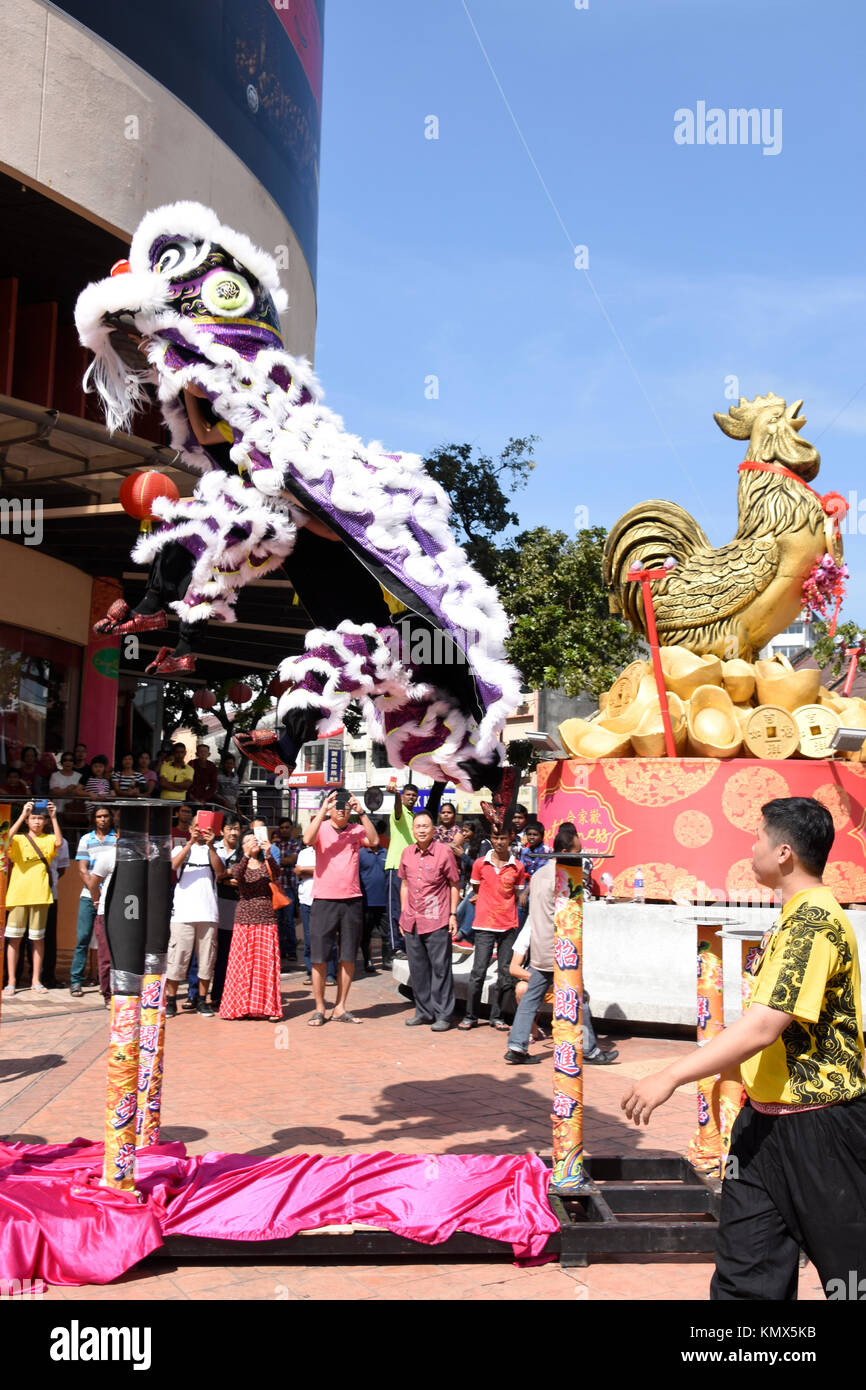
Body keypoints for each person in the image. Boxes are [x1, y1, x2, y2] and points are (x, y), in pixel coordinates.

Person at [622, 796, 866, 1300]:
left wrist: (670, 1075)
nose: (749, 847)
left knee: (852, 1276)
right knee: (744, 1274)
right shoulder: (794, 915)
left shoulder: (815, 921)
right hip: (763, 1124)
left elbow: (762, 1028)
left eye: (757, 837)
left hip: (822, 1126)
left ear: (783, 853)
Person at [503, 827, 618, 1065]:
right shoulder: (565, 876)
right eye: (577, 852)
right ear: (565, 851)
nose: (580, 857)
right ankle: (589, 1050)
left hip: (540, 950)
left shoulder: (539, 874)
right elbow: (572, 913)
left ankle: (516, 1046)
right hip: (563, 950)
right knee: (579, 999)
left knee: (530, 1000)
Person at [303, 790, 379, 1026]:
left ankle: (340, 1007)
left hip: (351, 899)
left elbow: (374, 841)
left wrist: (361, 812)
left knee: (347, 956)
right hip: (324, 899)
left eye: (345, 806)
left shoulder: (356, 830)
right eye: (338, 806)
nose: (341, 810)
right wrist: (322, 809)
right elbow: (307, 840)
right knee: (319, 957)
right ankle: (319, 1008)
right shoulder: (322, 826)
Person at [459, 826, 527, 1031]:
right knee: (478, 971)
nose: (499, 842)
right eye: (496, 837)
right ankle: (470, 1016)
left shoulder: (518, 867)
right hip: (484, 925)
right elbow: (477, 890)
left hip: (508, 925)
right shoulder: (480, 864)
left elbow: (516, 895)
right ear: (491, 838)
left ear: (510, 839)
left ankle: (497, 1016)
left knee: (505, 973)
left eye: (503, 838)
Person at [398, 810, 460, 1029]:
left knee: (441, 968)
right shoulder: (406, 853)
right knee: (418, 969)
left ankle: (444, 1014)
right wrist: (403, 914)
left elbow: (454, 884)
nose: (421, 830)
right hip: (412, 920)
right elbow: (404, 885)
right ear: (413, 830)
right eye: (418, 827)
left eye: (425, 826)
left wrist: (453, 915)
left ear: (433, 829)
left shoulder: (444, 853)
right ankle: (424, 1012)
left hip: (437, 919)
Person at [219, 829, 283, 1021]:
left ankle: (268, 1007)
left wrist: (269, 853)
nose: (253, 842)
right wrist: (246, 854)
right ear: (242, 846)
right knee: (242, 964)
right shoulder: (241, 864)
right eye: (248, 840)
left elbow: (277, 873)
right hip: (245, 917)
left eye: (255, 839)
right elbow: (238, 875)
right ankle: (240, 1006)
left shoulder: (266, 863)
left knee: (265, 964)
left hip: (266, 916)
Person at [164, 812, 223, 1017]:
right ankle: (171, 1000)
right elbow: (173, 865)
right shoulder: (181, 848)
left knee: (206, 960)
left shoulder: (214, 850)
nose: (200, 831)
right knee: (177, 958)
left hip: (208, 913)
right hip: (182, 913)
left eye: (204, 827)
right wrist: (190, 843)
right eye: (197, 827)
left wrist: (211, 846)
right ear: (190, 829)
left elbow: (221, 872)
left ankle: (201, 1000)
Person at [2, 799, 61, 996]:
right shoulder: (18, 839)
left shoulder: (48, 839)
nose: (36, 822)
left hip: (40, 896)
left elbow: (59, 842)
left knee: (37, 939)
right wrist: (21, 815)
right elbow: (5, 840)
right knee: (14, 939)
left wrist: (53, 818)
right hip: (18, 895)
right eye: (33, 818)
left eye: (39, 818)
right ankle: (11, 980)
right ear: (28, 821)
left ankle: (36, 979)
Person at [70, 805, 116, 998]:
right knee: (82, 938)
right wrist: (95, 891)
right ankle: (76, 981)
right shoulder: (85, 839)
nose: (103, 819)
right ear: (94, 819)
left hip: (113, 897)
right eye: (99, 816)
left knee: (111, 942)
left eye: (106, 816)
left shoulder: (117, 839)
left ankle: (107, 983)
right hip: (89, 896)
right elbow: (82, 870)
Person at [212, 817, 243, 1009]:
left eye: (237, 829)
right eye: (230, 828)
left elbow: (246, 880)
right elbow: (214, 875)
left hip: (237, 908)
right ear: (222, 830)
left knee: (230, 953)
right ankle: (214, 995)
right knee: (214, 955)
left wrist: (224, 877)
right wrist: (226, 876)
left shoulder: (244, 850)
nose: (233, 832)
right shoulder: (213, 849)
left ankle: (231, 995)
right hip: (214, 905)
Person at [384, 785, 417, 959]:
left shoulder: (415, 817)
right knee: (394, 909)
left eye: (414, 795)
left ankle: (406, 945)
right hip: (395, 866)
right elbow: (397, 809)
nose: (411, 798)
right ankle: (395, 946)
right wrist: (396, 795)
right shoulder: (400, 811)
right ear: (403, 797)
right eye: (408, 795)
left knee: (408, 909)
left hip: (411, 870)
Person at [359, 821, 390, 972]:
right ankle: (368, 961)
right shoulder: (360, 854)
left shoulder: (387, 853)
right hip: (366, 902)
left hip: (384, 902)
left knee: (386, 934)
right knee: (366, 934)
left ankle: (386, 960)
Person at [270, 818, 300, 964]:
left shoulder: (295, 844)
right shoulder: (274, 844)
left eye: (287, 827)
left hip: (289, 887)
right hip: (276, 887)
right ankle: (280, 949)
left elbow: (291, 861)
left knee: (288, 920)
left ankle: (291, 950)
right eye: (281, 827)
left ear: (291, 829)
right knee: (277, 921)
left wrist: (276, 860)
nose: (284, 830)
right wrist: (279, 860)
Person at [517, 822, 551, 928]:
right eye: (529, 834)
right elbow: (521, 872)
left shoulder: (546, 852)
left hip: (540, 886)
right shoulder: (525, 851)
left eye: (535, 835)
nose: (531, 837)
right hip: (526, 885)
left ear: (541, 836)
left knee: (524, 902)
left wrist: (525, 893)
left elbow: (540, 876)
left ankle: (517, 934)